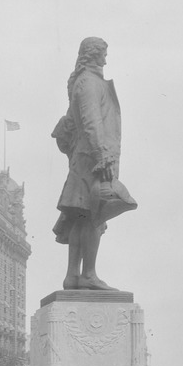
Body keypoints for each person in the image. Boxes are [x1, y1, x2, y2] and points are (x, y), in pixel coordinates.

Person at [51, 37, 137, 290]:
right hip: (93, 159)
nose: (106, 59)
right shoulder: (89, 82)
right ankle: (87, 274)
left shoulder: (83, 82)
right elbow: (91, 121)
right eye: (102, 54)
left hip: (84, 157)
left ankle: (73, 276)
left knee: (81, 217)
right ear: (92, 55)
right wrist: (103, 155)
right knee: (93, 218)